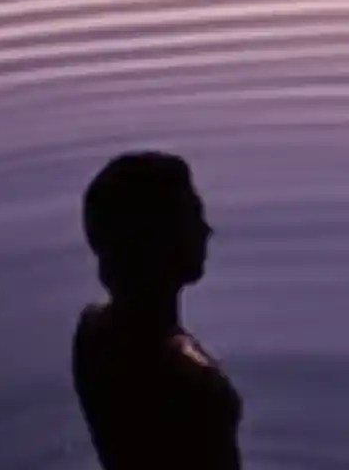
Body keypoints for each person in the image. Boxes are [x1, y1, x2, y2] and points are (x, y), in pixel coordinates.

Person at [73, 152, 242, 470]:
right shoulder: (197, 387)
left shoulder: (92, 330)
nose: (207, 230)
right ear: (156, 239)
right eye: (193, 216)